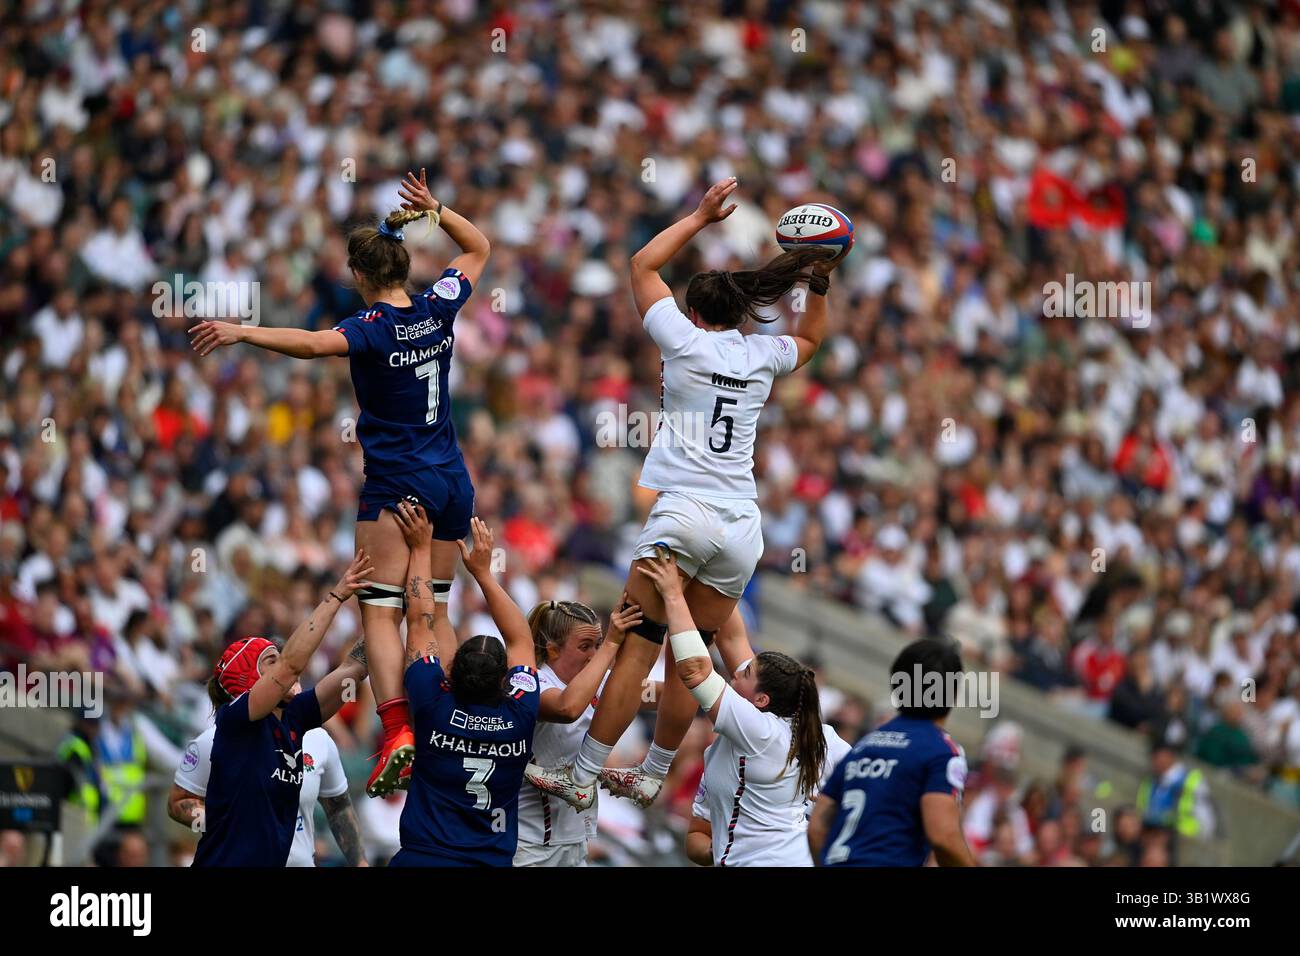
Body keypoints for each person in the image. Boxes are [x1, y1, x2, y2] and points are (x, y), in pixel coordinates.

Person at [530, 177, 848, 811]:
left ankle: (584, 771)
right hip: (742, 527)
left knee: (637, 646)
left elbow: (641, 263)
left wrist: (701, 216)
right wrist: (817, 278)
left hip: (684, 513)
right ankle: (652, 773)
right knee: (688, 653)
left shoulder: (682, 339)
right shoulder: (762, 354)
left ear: (695, 313)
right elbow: (812, 340)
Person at [189, 168, 491, 798]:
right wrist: (436, 207)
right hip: (452, 481)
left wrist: (243, 331)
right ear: (405, 268)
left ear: (360, 278)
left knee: (379, 611)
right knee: (432, 607)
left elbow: (308, 343)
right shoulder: (439, 304)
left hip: (396, 483)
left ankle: (400, 730)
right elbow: (480, 248)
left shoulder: (369, 329)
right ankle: (459, 718)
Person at [635, 552, 850, 866]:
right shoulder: (810, 732)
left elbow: (695, 670)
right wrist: (716, 576)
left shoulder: (758, 730)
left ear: (761, 700)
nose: (736, 672)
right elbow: (732, 635)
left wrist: (674, 594)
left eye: (747, 673)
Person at [191, 550, 374, 867]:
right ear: (249, 681)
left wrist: (388, 607)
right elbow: (291, 664)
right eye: (270, 662)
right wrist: (336, 596)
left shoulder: (294, 718)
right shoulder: (236, 720)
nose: (287, 669)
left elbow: (353, 669)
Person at [388, 505, 539, 867]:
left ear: (450, 670)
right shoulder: (520, 712)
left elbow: (419, 622)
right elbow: (521, 639)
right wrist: (484, 575)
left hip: (421, 858)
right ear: (505, 680)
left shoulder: (432, 703)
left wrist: (421, 549)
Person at [807, 637, 977, 867]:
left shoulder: (865, 745)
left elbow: (817, 827)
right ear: (954, 693)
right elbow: (944, 837)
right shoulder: (942, 752)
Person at [514, 597, 646, 867]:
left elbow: (660, 693)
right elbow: (567, 708)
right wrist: (610, 645)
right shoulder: (532, 683)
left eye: (597, 645)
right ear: (552, 650)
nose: (594, 655)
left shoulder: (597, 681)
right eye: (585, 646)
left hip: (575, 842)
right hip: (528, 844)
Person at [168, 696, 367, 866]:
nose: (293, 676)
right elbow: (178, 802)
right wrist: (228, 825)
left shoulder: (318, 739)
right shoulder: (213, 740)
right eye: (273, 663)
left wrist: (359, 862)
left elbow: (338, 807)